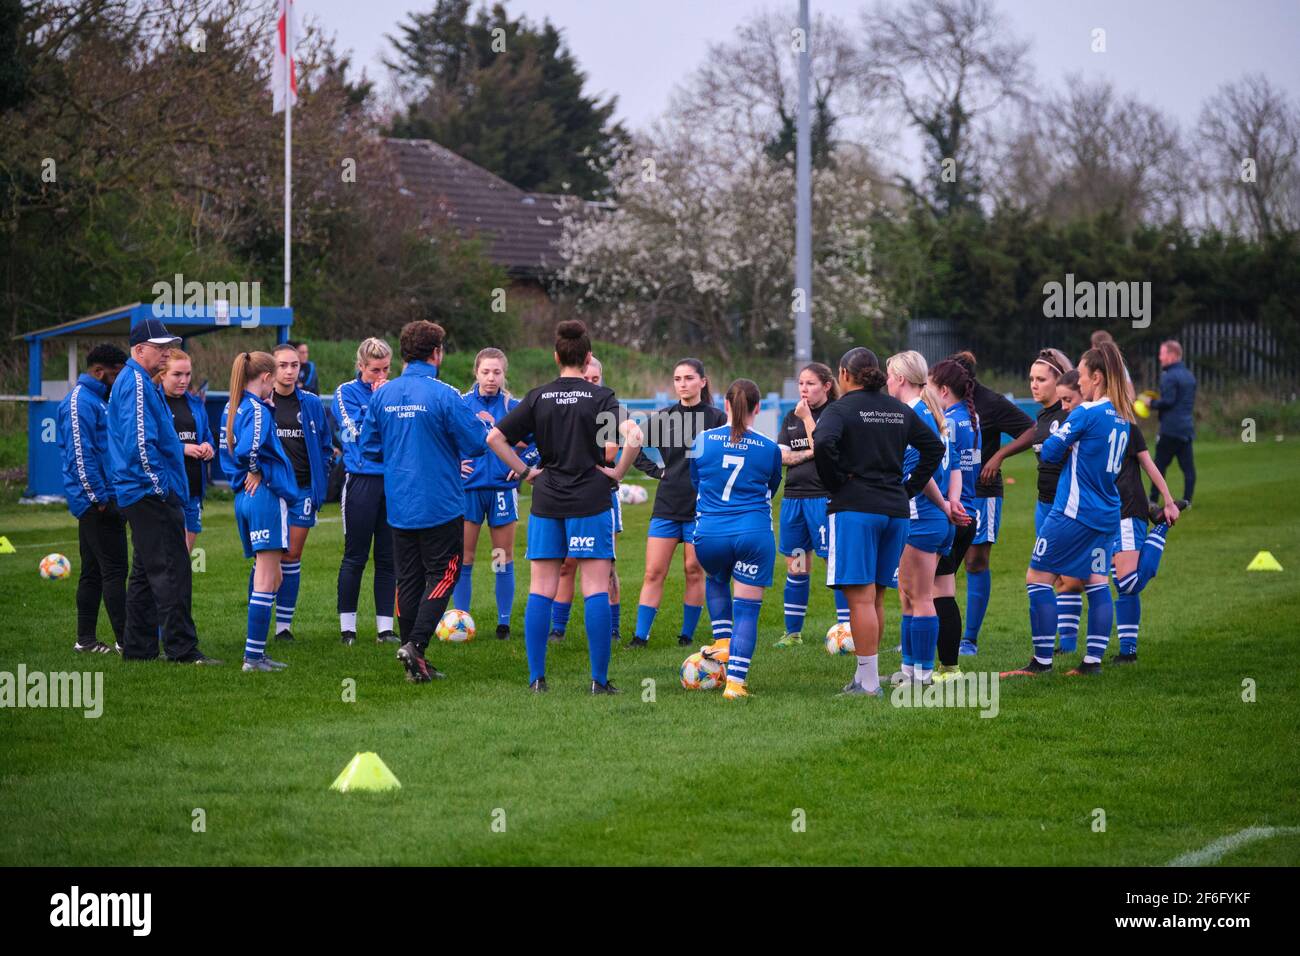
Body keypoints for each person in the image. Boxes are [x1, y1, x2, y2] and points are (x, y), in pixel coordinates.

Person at [486, 320, 643, 694]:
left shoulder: (538, 396)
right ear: (587, 357)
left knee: (541, 587)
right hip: (590, 498)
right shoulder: (600, 397)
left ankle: (537, 679)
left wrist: (525, 471)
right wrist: (617, 472)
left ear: (556, 357)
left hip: (547, 498)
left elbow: (494, 437)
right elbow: (634, 436)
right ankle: (598, 681)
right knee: (594, 588)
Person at [359, 321, 487, 683]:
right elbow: (476, 443)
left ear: (402, 354)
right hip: (440, 503)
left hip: (399, 503)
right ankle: (416, 644)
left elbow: (367, 446)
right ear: (437, 353)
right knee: (445, 573)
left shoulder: (382, 394)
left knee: (409, 579)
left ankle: (416, 662)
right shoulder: (445, 394)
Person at [812, 347, 944, 697]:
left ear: (843, 374)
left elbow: (823, 441)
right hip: (895, 512)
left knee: (859, 598)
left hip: (856, 509)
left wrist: (835, 481)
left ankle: (868, 683)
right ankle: (865, 677)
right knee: (877, 596)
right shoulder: (899, 410)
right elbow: (935, 448)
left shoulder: (839, 409)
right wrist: (910, 488)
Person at [1004, 341, 1134, 678]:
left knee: (1037, 577)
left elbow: (1048, 453)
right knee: (1096, 581)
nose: (1080, 381)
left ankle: (1041, 663)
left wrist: (1054, 440)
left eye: (1084, 374)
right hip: (1107, 514)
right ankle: (1091, 663)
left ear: (1097, 378)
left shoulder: (1086, 413)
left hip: (1073, 513)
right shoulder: (1122, 417)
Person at [106, 318, 219, 664]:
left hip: (138, 491)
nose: (167, 351)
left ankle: (139, 649)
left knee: (144, 573)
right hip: (148, 492)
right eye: (160, 347)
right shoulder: (137, 384)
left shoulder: (138, 380)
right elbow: (140, 442)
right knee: (172, 570)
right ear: (139, 350)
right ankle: (182, 650)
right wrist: (159, 487)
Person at [980, 349, 1082, 651]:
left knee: (1069, 579)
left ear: (1058, 380)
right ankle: (1066, 644)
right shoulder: (1043, 416)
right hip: (1044, 503)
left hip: (1066, 506)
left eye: (1041, 379)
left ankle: (1065, 645)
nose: (1034, 385)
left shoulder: (1071, 415)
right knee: (1059, 578)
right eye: (1031, 379)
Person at [689, 379, 784, 700]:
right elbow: (772, 488)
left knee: (716, 578)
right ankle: (735, 684)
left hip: (710, 533)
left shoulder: (702, 440)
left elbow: (696, 482)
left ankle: (722, 644)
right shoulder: (770, 448)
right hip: (753, 533)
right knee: (747, 610)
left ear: (726, 406)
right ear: (758, 408)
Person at [629, 358, 727, 648]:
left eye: (688, 378)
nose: (682, 384)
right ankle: (640, 636)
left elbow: (727, 456)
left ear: (702, 382)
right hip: (667, 506)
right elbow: (632, 445)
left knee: (694, 570)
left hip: (701, 508)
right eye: (677, 379)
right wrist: (656, 471)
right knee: (653, 571)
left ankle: (686, 636)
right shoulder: (663, 417)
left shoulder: (717, 419)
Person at [885, 351, 964, 687]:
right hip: (935, 517)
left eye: (889, 375)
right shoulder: (931, 412)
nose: (886, 381)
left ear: (901, 378)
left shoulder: (914, 415)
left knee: (920, 597)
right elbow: (955, 462)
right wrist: (952, 502)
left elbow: (924, 470)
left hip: (922, 517)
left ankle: (923, 674)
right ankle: (909, 670)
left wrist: (945, 504)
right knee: (908, 595)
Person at [948, 351, 1034, 656]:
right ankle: (929, 624)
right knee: (937, 563)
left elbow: (1033, 429)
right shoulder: (941, 401)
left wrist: (998, 456)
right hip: (946, 493)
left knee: (975, 561)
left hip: (983, 493)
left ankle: (969, 638)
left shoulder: (992, 402)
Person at [220, 352, 299, 673]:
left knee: (273, 572)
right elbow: (247, 449)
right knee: (267, 577)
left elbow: (229, 448)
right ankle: (253, 657)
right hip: (264, 496)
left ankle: (258, 654)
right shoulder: (257, 408)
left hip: (244, 497)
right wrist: (257, 470)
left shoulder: (231, 406)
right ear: (266, 377)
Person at [452, 347, 537, 641]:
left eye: (496, 372)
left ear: (504, 374)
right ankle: (461, 620)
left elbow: (540, 441)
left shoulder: (514, 407)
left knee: (501, 557)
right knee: (464, 557)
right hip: (467, 491)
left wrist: (524, 462)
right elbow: (443, 441)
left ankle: (503, 624)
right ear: (476, 372)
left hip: (502, 490)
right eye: (485, 372)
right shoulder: (460, 405)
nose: (491, 378)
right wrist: (454, 464)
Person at [772, 362, 851, 648]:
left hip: (824, 498)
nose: (804, 390)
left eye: (810, 384)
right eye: (801, 384)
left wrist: (807, 423)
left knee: (834, 564)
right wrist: (809, 451)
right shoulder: (791, 416)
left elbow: (826, 448)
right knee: (796, 565)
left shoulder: (837, 413)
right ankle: (793, 633)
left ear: (827, 386)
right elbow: (781, 456)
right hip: (794, 499)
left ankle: (847, 634)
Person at [58, 343, 129, 654]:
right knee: (115, 570)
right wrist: (99, 498)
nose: (119, 381)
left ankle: (85, 640)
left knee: (93, 571)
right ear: (100, 372)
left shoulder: (97, 400)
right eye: (115, 375)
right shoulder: (79, 403)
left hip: (103, 497)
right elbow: (80, 456)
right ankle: (129, 642)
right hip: (96, 502)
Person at [551, 355, 623, 644]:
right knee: (567, 563)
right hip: (567, 494)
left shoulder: (609, 410)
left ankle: (613, 628)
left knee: (606, 567)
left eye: (596, 380)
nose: (591, 384)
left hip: (601, 496)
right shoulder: (564, 408)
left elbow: (610, 453)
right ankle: (558, 628)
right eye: (587, 379)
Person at [267, 342, 332, 643]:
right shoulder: (260, 403)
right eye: (283, 365)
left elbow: (325, 446)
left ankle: (283, 627)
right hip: (269, 490)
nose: (290, 371)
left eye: (295, 365)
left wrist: (322, 474)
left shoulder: (312, 403)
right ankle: (260, 616)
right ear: (272, 368)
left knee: (292, 554)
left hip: (302, 489)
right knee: (267, 555)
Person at [334, 337, 397, 646]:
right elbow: (359, 436)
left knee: (389, 558)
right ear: (361, 367)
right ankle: (348, 629)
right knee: (355, 556)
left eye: (386, 369)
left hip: (393, 482)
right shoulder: (345, 392)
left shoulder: (395, 391)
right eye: (375, 370)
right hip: (361, 481)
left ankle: (385, 629)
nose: (381, 376)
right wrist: (377, 403)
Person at [1110, 412, 1185, 664]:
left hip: (1127, 508)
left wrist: (1167, 499)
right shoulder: (1082, 421)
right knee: (1121, 586)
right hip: (1103, 512)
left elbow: (1147, 463)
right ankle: (1127, 652)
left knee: (1129, 581)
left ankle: (1161, 528)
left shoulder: (1125, 426)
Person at [927, 357, 981, 680]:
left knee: (935, 593)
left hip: (951, 514)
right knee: (942, 590)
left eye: (930, 387)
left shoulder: (947, 422)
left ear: (943, 390)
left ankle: (944, 666)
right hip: (966, 514)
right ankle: (946, 665)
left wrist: (949, 503)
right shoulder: (971, 418)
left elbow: (950, 472)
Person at [153, 349, 216, 554]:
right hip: (167, 489)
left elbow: (207, 437)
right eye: (177, 374)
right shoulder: (153, 403)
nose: (184, 380)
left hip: (193, 488)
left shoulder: (195, 403)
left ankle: (179, 588)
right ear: (162, 374)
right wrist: (182, 449)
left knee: (183, 559)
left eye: (187, 374)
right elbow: (149, 445)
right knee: (166, 558)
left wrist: (208, 448)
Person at [1147, 339, 1197, 507]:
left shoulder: (1169, 376)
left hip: (1169, 429)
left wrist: (1151, 403)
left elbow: (1168, 401)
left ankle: (1153, 499)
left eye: (1162, 353)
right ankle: (1187, 501)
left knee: (1158, 466)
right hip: (1186, 429)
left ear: (1172, 355)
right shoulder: (1189, 375)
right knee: (1188, 468)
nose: (1160, 357)